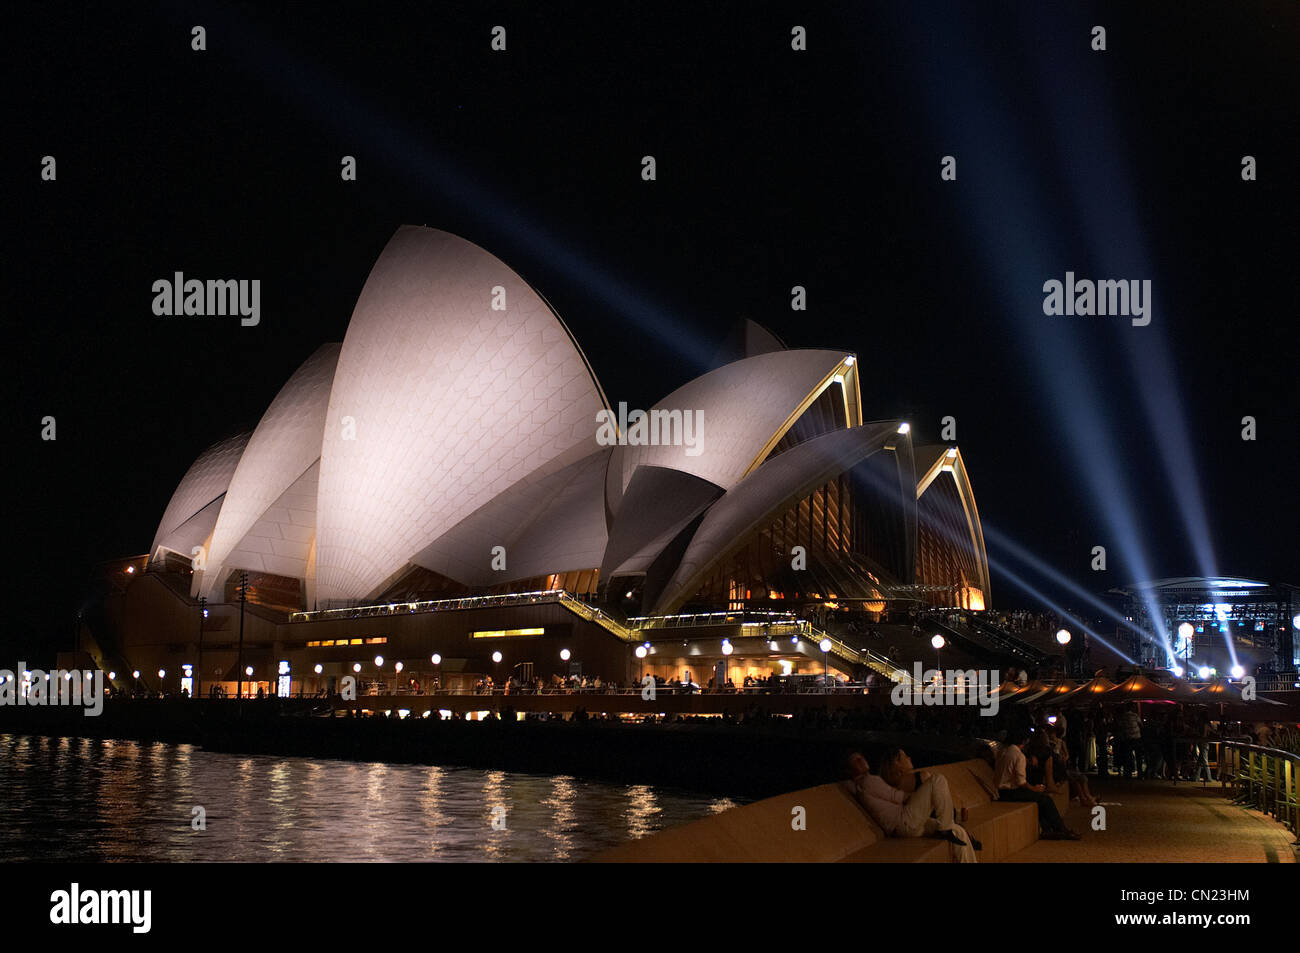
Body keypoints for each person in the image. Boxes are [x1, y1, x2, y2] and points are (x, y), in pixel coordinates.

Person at [846, 750, 979, 861]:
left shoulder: (861, 785)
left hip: (906, 825)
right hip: (904, 821)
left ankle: (947, 827)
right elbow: (897, 797)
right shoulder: (868, 781)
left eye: (861, 757)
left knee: (958, 831)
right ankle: (945, 828)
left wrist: (927, 797)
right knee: (938, 780)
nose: (862, 761)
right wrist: (926, 795)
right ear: (851, 769)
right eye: (857, 760)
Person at [993, 729, 1080, 840]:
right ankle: (1061, 829)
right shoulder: (1018, 755)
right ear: (1024, 741)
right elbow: (1021, 782)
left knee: (1039, 799)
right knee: (1046, 799)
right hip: (1011, 792)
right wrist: (1034, 788)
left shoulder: (1003, 752)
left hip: (1000, 792)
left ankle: (1047, 829)